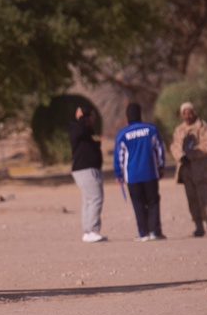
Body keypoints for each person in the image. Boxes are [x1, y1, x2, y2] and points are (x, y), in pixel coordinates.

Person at [113, 103, 166, 242]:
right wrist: (161, 167)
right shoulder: (151, 130)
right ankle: (155, 231)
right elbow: (159, 150)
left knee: (138, 203)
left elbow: (119, 156)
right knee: (153, 201)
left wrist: (119, 175)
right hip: (150, 173)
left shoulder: (122, 134)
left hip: (132, 176)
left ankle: (143, 232)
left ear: (127, 116)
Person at [171, 101, 207, 237]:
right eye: (185, 113)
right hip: (186, 171)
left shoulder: (203, 128)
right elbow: (174, 146)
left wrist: (191, 155)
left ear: (194, 112)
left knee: (204, 199)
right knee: (192, 199)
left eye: (189, 112)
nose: (187, 116)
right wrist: (180, 156)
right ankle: (198, 226)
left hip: (201, 170)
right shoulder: (179, 130)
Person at [68, 106, 106, 243]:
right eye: (91, 116)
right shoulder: (77, 128)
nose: (94, 119)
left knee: (89, 200)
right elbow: (79, 131)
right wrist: (81, 117)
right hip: (84, 170)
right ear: (86, 117)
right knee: (96, 198)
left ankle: (88, 231)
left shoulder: (89, 130)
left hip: (93, 169)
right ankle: (92, 230)